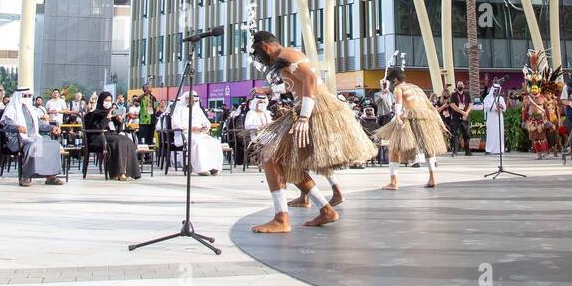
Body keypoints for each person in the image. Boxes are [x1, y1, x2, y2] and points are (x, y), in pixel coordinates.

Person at [249, 28, 377, 232]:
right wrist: (269, 90)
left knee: (270, 158)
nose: (259, 59)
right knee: (284, 161)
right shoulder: (285, 58)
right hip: (308, 109)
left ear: (265, 47)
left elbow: (310, 80)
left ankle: (284, 219)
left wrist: (304, 117)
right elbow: (295, 84)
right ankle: (324, 210)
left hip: (313, 110)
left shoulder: (286, 54)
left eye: (257, 53)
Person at [373, 54, 449, 189]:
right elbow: (431, 106)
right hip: (427, 116)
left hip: (411, 115)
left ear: (395, 80)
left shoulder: (398, 88)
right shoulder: (417, 87)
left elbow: (398, 105)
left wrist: (397, 119)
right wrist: (441, 123)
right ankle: (432, 178)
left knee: (394, 147)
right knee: (428, 147)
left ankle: (393, 182)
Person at [0, 88, 64, 186]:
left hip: (33, 137)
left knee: (53, 144)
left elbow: (40, 125)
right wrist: (17, 127)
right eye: (25, 96)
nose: (27, 98)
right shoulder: (11, 109)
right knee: (34, 145)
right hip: (17, 139)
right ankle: (26, 176)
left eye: (29, 96)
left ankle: (50, 176)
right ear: (19, 96)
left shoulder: (31, 110)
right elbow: (7, 125)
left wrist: (52, 127)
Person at [84, 92, 140, 179]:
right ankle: (119, 173)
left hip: (112, 135)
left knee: (127, 140)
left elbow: (118, 130)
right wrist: (107, 118)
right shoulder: (94, 114)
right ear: (101, 101)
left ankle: (130, 172)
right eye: (106, 100)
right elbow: (98, 128)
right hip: (98, 137)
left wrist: (120, 121)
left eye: (110, 100)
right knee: (118, 141)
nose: (108, 102)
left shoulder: (112, 111)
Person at [171, 90, 221, 175]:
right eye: (190, 99)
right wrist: (190, 128)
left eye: (195, 100)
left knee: (215, 142)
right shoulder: (179, 108)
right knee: (198, 143)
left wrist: (205, 127)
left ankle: (212, 167)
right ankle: (201, 169)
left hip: (200, 133)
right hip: (185, 134)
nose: (193, 101)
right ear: (186, 99)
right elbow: (175, 124)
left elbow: (207, 122)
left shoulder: (198, 110)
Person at [522, 84, 553, 159]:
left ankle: (545, 153)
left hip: (541, 120)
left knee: (542, 137)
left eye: (535, 88)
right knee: (534, 138)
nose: (534, 90)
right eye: (532, 88)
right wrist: (523, 121)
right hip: (531, 121)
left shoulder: (543, 98)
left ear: (538, 89)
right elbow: (525, 111)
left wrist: (549, 120)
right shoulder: (527, 98)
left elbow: (547, 110)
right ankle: (538, 154)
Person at [482, 80, 507, 155]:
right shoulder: (487, 98)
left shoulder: (501, 98)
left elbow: (505, 108)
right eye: (495, 90)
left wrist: (502, 106)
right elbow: (486, 107)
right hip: (491, 118)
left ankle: (499, 150)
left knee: (499, 133)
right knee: (491, 133)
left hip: (499, 118)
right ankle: (489, 149)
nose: (496, 91)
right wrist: (495, 107)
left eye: (498, 90)